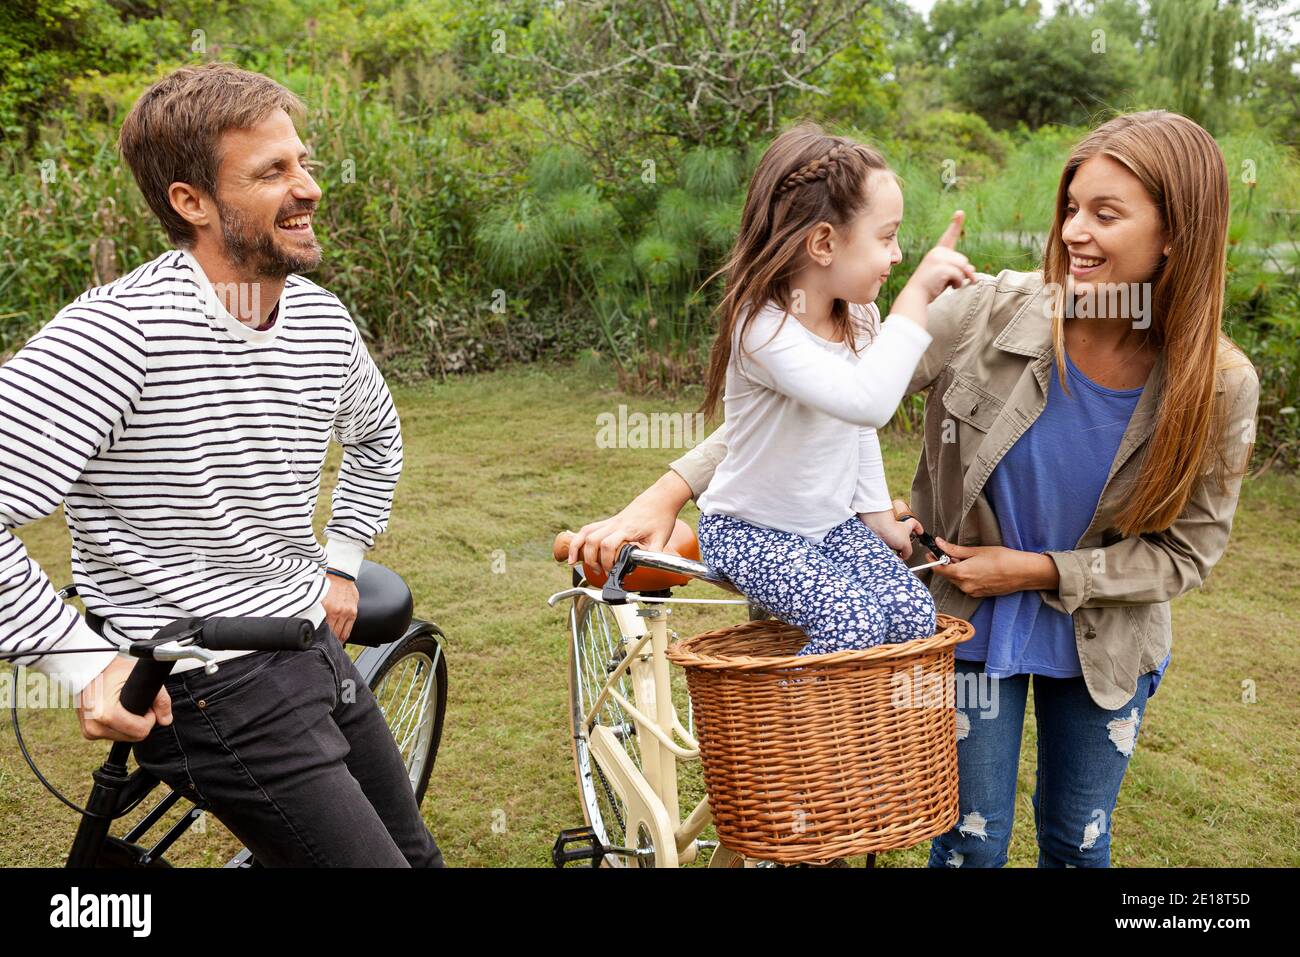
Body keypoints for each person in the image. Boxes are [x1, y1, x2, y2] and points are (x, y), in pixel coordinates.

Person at [566, 111, 1259, 867]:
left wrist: (1035, 570)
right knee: (966, 844)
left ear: (1176, 233)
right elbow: (811, 408)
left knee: (1078, 842)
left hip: (1106, 645)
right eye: (1069, 207)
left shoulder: (1219, 385)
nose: (1072, 234)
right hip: (964, 624)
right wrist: (668, 490)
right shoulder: (986, 315)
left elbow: (1184, 555)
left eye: (1105, 214)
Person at [0, 63, 444, 867]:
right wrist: (81, 659)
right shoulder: (117, 336)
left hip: (306, 640)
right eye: (272, 171)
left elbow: (378, 436)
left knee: (420, 857)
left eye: (302, 162)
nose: (306, 187)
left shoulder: (318, 319)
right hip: (203, 685)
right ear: (190, 201)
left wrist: (340, 562)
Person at [687, 123, 975, 655]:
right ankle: (785, 735)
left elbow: (855, 426)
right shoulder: (763, 327)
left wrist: (875, 518)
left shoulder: (858, 316)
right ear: (823, 242)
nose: (895, 255)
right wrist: (916, 299)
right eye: (886, 237)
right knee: (852, 623)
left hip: (831, 525)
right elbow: (866, 401)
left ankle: (858, 734)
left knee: (913, 614)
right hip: (749, 531)